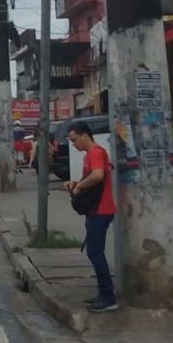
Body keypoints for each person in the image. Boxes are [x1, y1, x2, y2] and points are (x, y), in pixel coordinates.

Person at [64, 122, 117, 312]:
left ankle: (108, 296)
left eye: (74, 140)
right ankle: (104, 294)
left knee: (95, 252)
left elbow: (98, 176)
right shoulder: (90, 155)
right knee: (95, 252)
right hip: (95, 210)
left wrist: (79, 187)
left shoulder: (95, 152)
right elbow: (93, 180)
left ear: (84, 135)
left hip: (101, 210)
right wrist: (76, 183)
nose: (73, 144)